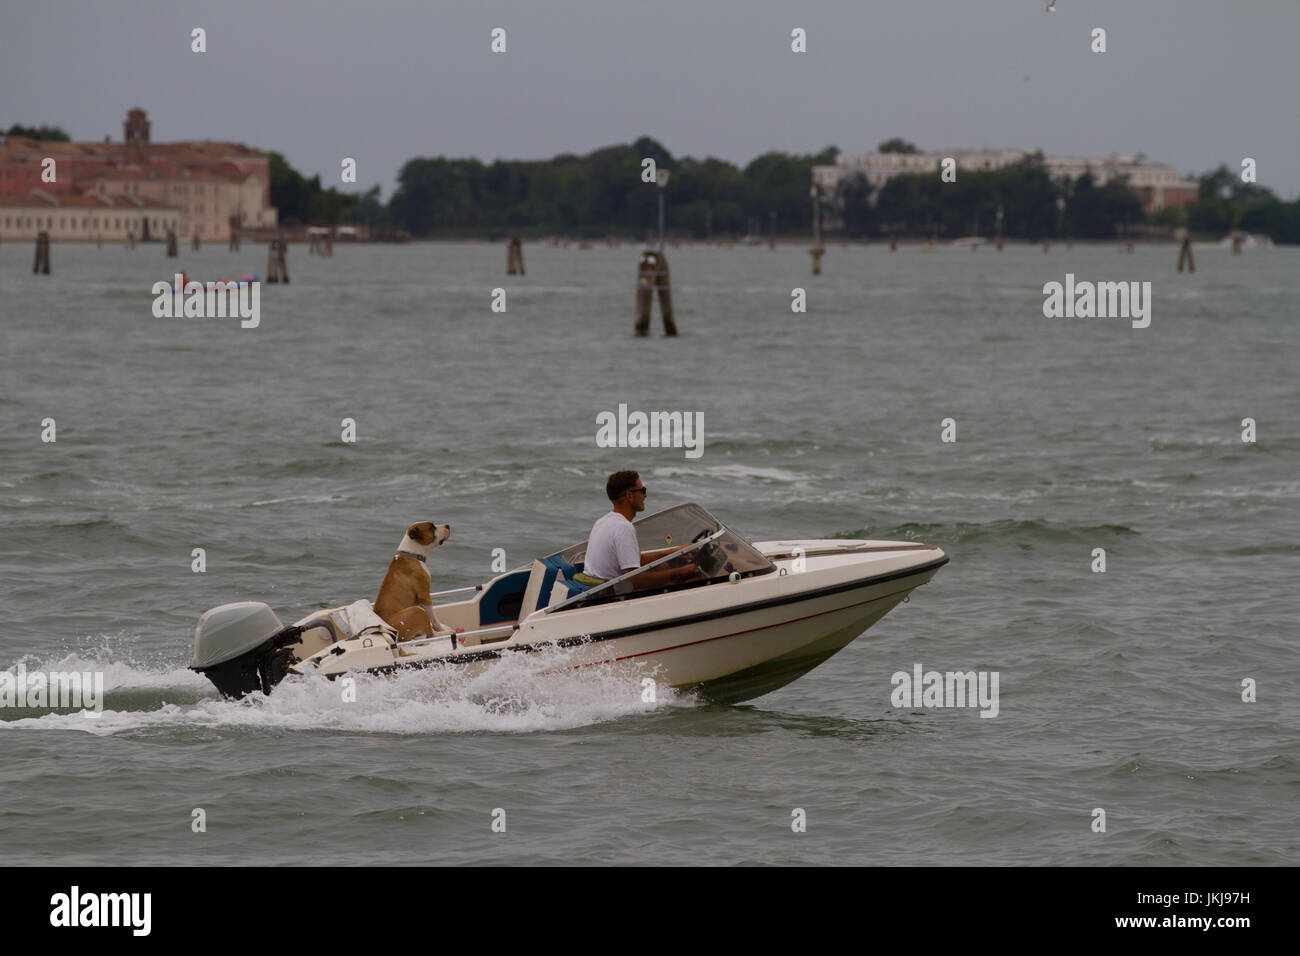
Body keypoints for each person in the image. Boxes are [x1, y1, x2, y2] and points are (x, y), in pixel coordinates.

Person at [575, 470, 697, 590]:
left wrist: (673, 552)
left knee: (662, 567)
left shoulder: (603, 521)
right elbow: (634, 580)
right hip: (609, 596)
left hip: (596, 586)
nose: (645, 495)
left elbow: (633, 560)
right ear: (629, 495)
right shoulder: (623, 527)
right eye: (642, 491)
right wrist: (679, 572)